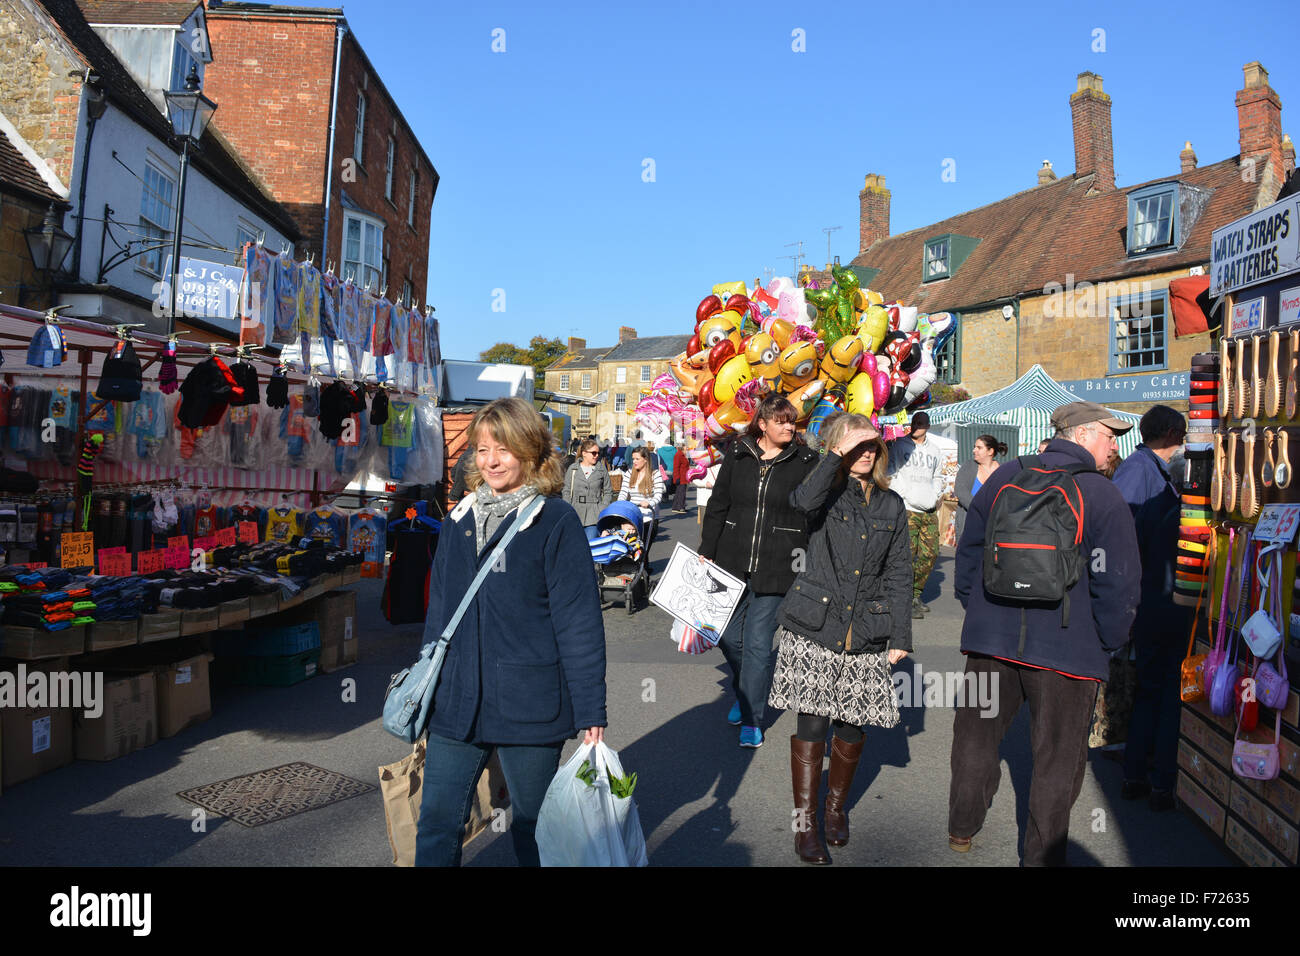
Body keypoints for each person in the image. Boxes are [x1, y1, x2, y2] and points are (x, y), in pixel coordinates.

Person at [414, 397, 607, 867]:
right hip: (458, 699)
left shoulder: (554, 521)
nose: (492, 461)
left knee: (533, 826)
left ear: (529, 451)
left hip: (530, 702)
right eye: (482, 450)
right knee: (437, 821)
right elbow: (439, 611)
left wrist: (590, 709)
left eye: (502, 449)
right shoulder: (457, 520)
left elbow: (578, 621)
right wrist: (425, 686)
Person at [948, 400, 1140, 866]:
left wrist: (976, 607)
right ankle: (1041, 856)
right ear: (1080, 436)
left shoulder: (1004, 476)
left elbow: (970, 547)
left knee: (975, 738)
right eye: (1108, 436)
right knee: (1057, 758)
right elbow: (1119, 579)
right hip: (1067, 649)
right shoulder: (1101, 494)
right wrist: (1110, 640)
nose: (1113, 446)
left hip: (991, 638)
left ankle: (961, 827)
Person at [769, 414, 912, 863]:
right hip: (815, 622)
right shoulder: (824, 491)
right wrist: (836, 452)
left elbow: (900, 572)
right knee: (812, 723)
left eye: (873, 445)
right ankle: (805, 823)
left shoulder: (892, 504)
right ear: (839, 447)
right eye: (858, 445)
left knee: (852, 723)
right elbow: (801, 503)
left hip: (867, 626)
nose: (868, 452)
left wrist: (901, 634)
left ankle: (835, 810)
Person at [700, 393, 819, 748]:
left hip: (778, 566)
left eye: (791, 420)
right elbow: (718, 504)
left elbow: (812, 514)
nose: (788, 426)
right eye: (780, 420)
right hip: (730, 562)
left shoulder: (806, 461)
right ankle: (745, 693)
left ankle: (753, 718)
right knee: (725, 636)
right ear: (762, 424)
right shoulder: (738, 455)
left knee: (756, 643)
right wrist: (707, 551)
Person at [1113, 405, 1188, 812]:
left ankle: (1134, 776)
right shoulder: (1149, 483)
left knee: (1148, 692)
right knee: (1166, 696)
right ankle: (1159, 782)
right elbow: (1124, 544)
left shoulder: (1157, 494)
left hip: (1149, 608)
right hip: (1165, 610)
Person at [886, 411, 945, 618]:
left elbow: (938, 476)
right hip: (908, 508)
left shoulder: (936, 451)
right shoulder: (900, 445)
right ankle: (904, 599)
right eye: (915, 423)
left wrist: (935, 493)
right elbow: (890, 472)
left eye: (921, 424)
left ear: (928, 426)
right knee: (906, 556)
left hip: (928, 508)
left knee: (930, 554)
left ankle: (915, 593)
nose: (917, 426)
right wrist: (904, 495)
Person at [954, 435, 1007, 546]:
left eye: (979, 447)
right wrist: (980, 510)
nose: (974, 450)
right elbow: (960, 491)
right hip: (969, 525)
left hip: (992, 528)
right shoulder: (969, 466)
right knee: (966, 561)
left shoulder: (1002, 472)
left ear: (990, 451)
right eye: (974, 447)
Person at [562, 437, 614, 541]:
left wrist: (602, 508)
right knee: (576, 546)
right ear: (584, 453)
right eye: (593, 453)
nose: (597, 456)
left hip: (594, 515)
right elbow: (566, 490)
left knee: (590, 547)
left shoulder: (601, 469)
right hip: (575, 513)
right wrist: (568, 507)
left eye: (598, 453)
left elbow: (608, 491)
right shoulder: (573, 469)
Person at [618, 446, 664, 520]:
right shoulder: (629, 473)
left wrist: (649, 503)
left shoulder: (655, 474)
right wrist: (620, 503)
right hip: (633, 514)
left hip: (648, 515)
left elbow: (658, 496)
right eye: (633, 459)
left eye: (637, 459)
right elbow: (623, 492)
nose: (634, 461)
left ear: (645, 459)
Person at [693, 460, 721, 526]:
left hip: (718, 500)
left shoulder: (720, 466)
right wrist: (705, 484)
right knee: (704, 524)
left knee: (716, 524)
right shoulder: (701, 467)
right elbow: (694, 479)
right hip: (704, 501)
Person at [671, 442, 689, 513]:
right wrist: (677, 477)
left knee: (679, 492)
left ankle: (676, 507)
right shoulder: (679, 455)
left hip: (683, 477)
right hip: (681, 477)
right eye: (685, 447)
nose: (687, 448)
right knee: (681, 493)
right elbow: (676, 467)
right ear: (682, 447)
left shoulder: (682, 455)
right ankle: (680, 507)